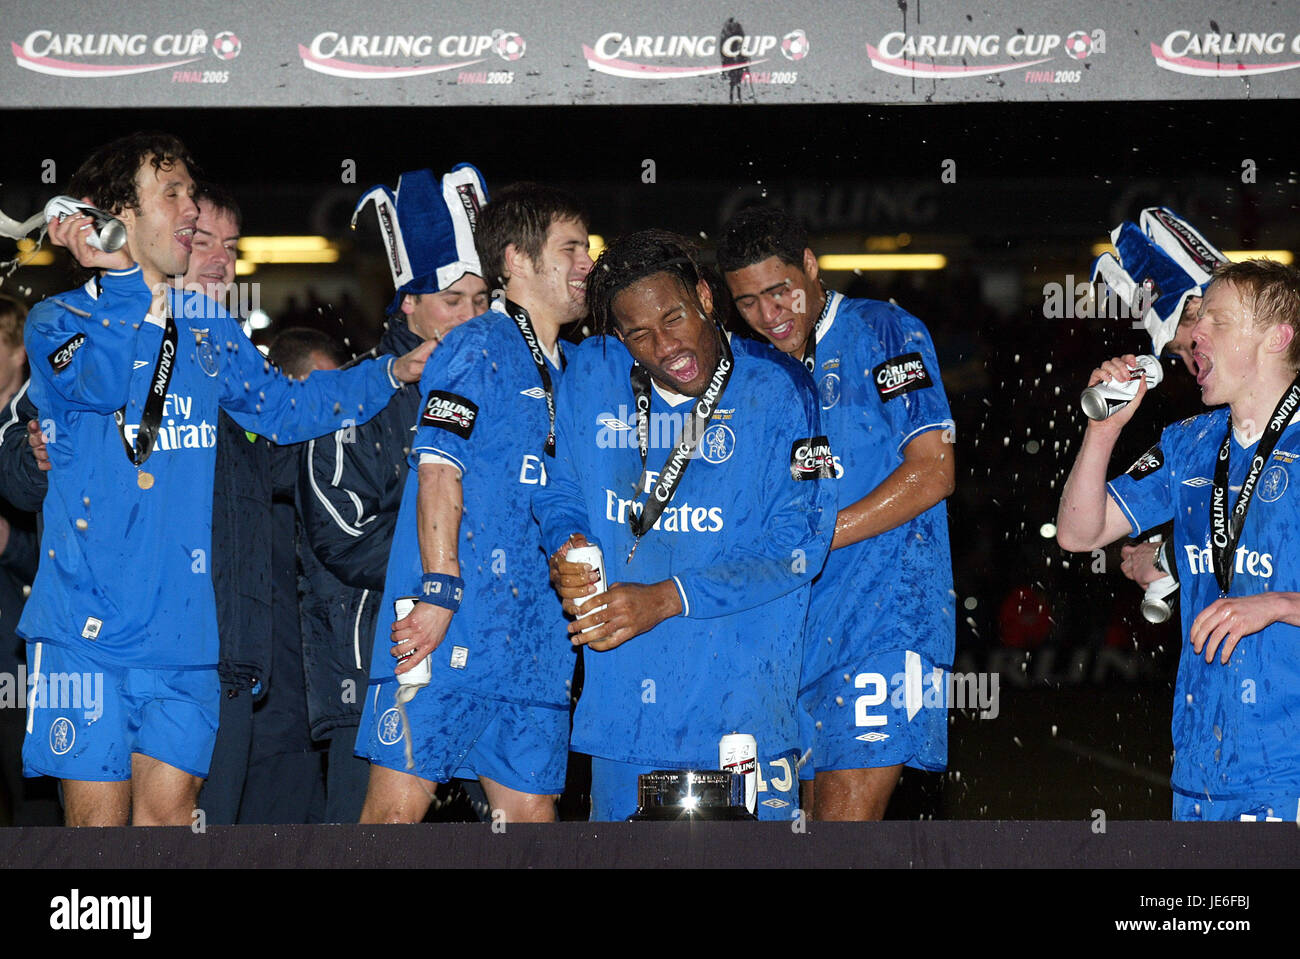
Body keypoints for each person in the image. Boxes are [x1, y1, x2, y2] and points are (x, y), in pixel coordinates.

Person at [20, 131, 435, 827]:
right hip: (83, 635)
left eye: (190, 191)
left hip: (185, 638)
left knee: (171, 829)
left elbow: (284, 406)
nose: (189, 210)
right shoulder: (58, 320)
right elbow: (98, 379)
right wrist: (123, 278)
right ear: (118, 214)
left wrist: (389, 373)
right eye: (171, 194)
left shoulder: (207, 324)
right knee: (97, 838)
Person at [536, 229, 835, 821]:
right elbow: (559, 489)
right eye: (638, 334)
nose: (664, 345)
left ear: (703, 295)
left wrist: (669, 598)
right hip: (623, 714)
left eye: (673, 318)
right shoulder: (593, 376)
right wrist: (565, 542)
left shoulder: (781, 388)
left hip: (743, 713)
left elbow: (803, 544)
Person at [355, 182, 590, 824]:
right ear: (516, 260)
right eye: (571, 248)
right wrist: (439, 591)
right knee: (397, 816)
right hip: (453, 623)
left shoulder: (577, 369)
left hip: (538, 641)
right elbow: (438, 472)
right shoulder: (474, 345)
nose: (588, 263)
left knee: (532, 817)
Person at [716, 207, 956, 821]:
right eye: (747, 303)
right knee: (803, 838)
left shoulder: (884, 330)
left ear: (810, 267)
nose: (770, 316)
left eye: (780, 292)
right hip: (795, 636)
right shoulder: (753, 365)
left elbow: (934, 470)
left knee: (841, 838)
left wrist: (815, 541)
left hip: (885, 622)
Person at [1057, 258, 1300, 821]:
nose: (1193, 334)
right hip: (1199, 770)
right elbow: (1078, 532)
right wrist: (1103, 432)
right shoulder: (1190, 441)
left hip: (1288, 774)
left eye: (1216, 320)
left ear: (1277, 337)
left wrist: (1279, 605)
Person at [299, 164, 490, 822]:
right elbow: (340, 533)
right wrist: (452, 568)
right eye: (453, 300)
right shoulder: (360, 393)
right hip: (374, 668)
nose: (471, 316)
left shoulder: (499, 392)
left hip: (483, 667)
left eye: (483, 299)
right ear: (408, 302)